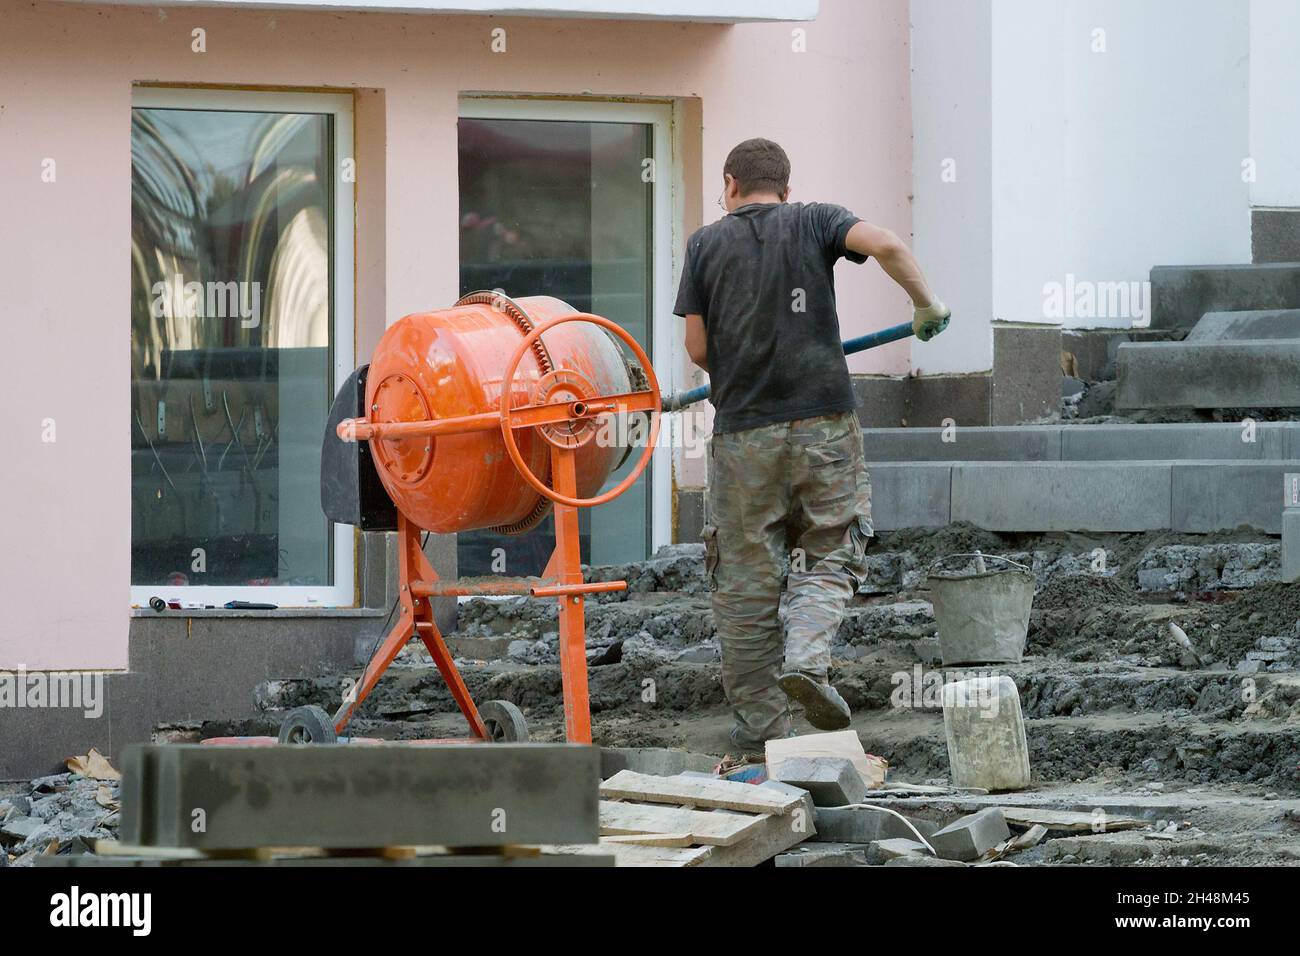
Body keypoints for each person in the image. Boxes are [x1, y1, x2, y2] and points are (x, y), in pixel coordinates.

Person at [674, 137, 950, 752]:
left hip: (744, 435)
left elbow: (697, 351)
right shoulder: (817, 220)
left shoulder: (704, 245)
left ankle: (761, 740)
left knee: (744, 583)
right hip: (824, 425)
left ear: (729, 185)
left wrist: (744, 357)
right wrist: (925, 305)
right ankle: (806, 654)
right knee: (830, 549)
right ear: (786, 189)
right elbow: (888, 245)